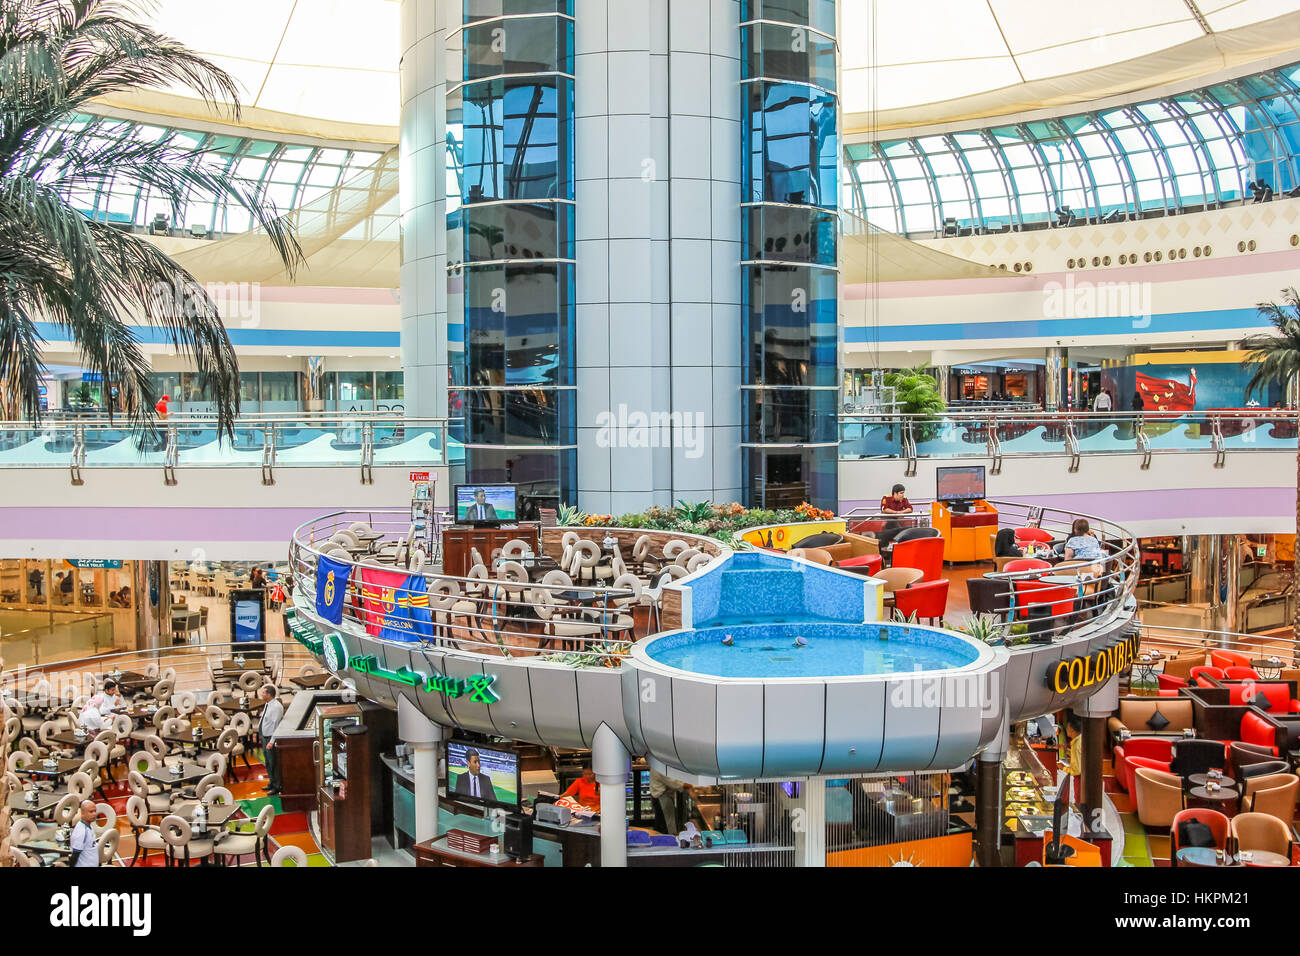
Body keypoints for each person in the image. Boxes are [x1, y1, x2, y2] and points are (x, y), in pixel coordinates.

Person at [649, 768, 694, 835]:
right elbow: (673, 782)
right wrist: (690, 785)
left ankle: (661, 839)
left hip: (660, 797)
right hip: (662, 798)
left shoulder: (659, 764)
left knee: (661, 823)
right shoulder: (661, 768)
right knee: (666, 826)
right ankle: (666, 842)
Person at [258, 684, 284, 795]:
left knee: (274, 763)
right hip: (265, 738)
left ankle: (277, 786)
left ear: (269, 694)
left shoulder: (276, 707)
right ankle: (271, 782)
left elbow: (276, 725)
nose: (261, 694)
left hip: (270, 739)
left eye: (263, 692)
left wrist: (271, 741)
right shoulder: (268, 704)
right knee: (268, 763)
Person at [68, 799, 100, 867]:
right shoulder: (81, 831)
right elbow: (75, 855)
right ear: (83, 813)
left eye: (95, 811)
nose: (94, 814)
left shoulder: (89, 826)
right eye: (91, 812)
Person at [1059, 714, 1083, 802]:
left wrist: (1063, 768)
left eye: (1067, 727)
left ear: (1071, 729)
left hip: (1080, 779)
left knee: (1079, 800)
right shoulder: (1079, 739)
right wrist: (1066, 750)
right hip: (1082, 777)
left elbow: (1076, 770)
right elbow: (1078, 755)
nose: (1066, 729)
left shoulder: (1076, 745)